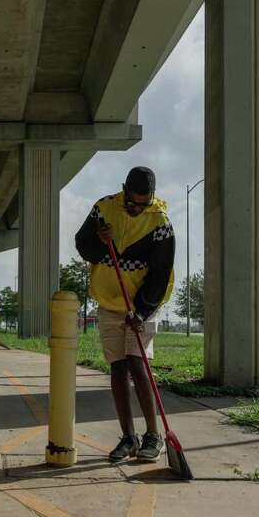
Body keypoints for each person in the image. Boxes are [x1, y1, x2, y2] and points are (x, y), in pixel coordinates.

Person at [75, 166, 175, 462]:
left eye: (143, 205)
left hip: (143, 305)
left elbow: (160, 274)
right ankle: (129, 438)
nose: (136, 209)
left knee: (137, 362)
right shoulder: (104, 208)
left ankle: (153, 435)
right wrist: (98, 238)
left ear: (151, 198)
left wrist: (141, 312)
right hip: (109, 302)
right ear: (124, 192)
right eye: (132, 203)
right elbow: (83, 247)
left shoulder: (160, 222)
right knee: (118, 367)